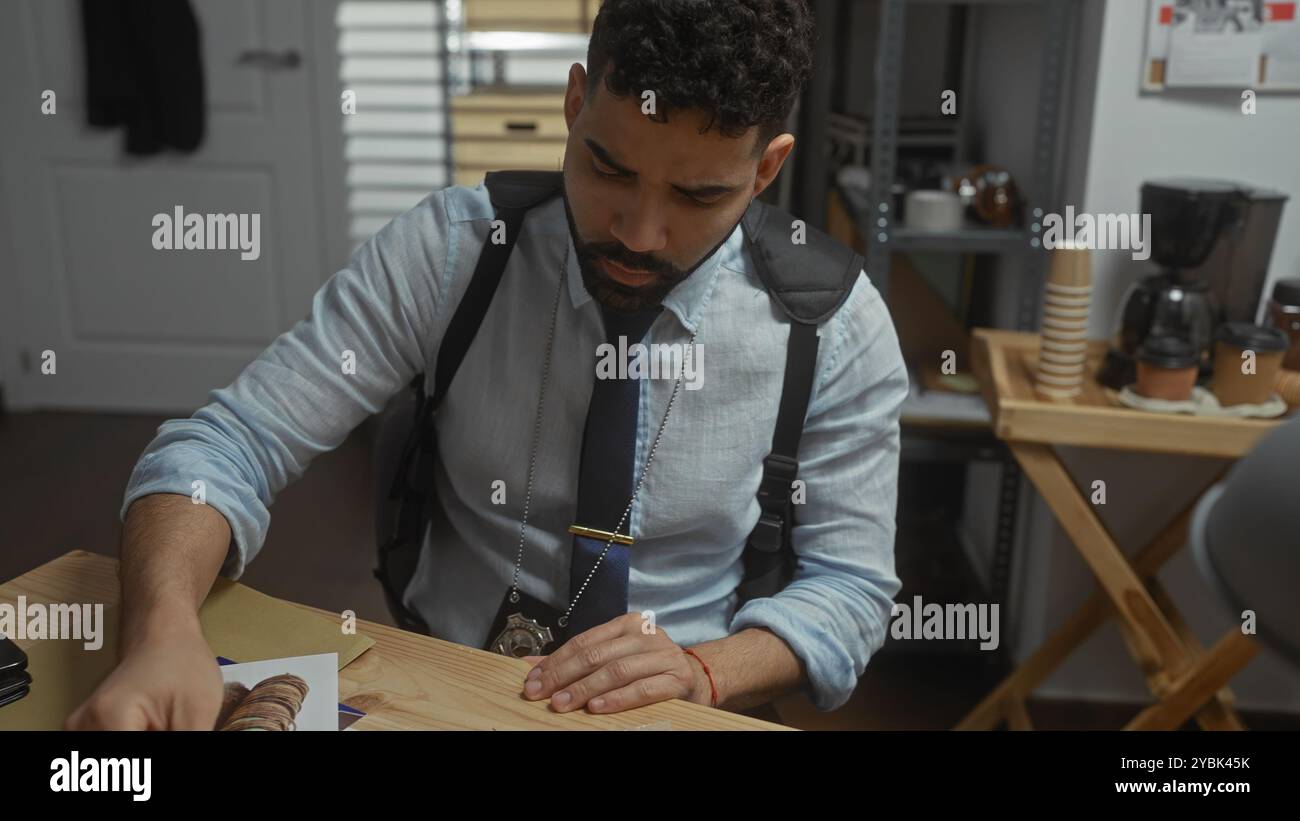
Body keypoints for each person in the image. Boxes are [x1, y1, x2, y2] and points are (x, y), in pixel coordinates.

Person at [68, 0, 908, 730]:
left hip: (687, 701)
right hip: (436, 686)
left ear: (766, 170)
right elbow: (228, 445)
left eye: (697, 197)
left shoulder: (834, 325)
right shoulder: (453, 252)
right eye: (609, 168)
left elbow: (851, 587)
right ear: (575, 104)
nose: (638, 234)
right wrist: (162, 627)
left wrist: (709, 668)